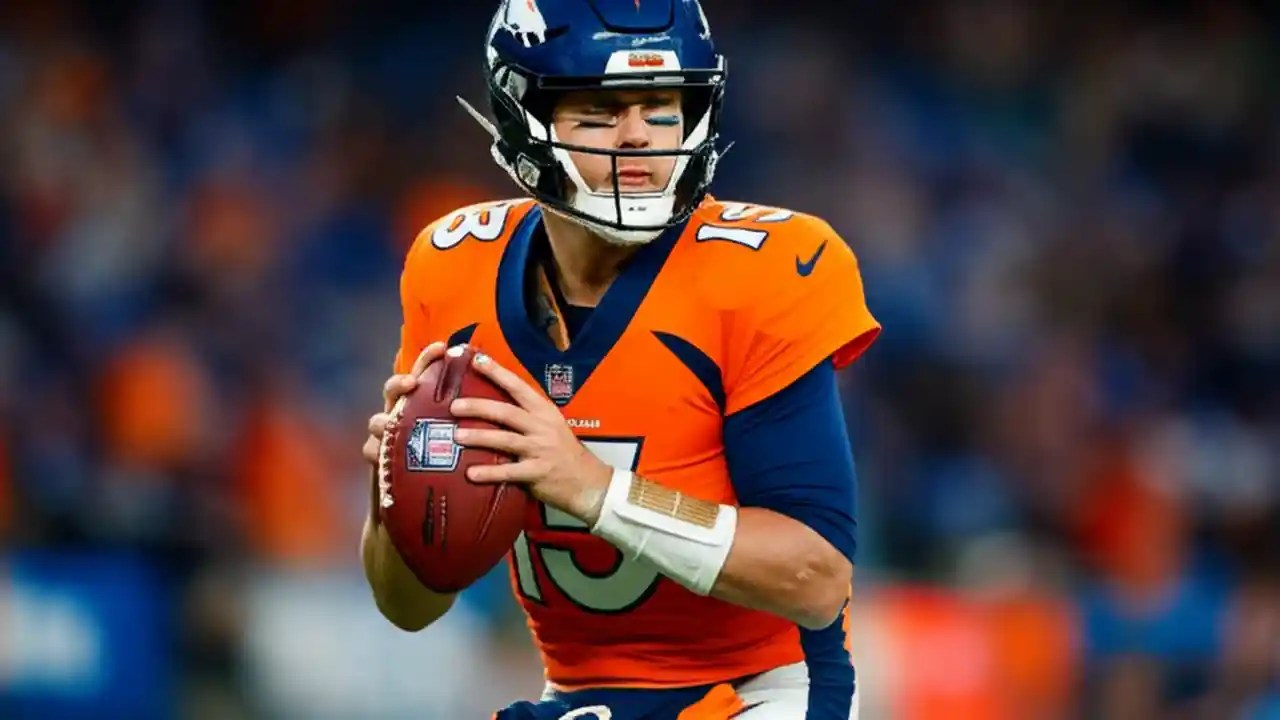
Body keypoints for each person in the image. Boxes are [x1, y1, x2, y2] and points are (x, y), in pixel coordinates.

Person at [360, 1, 880, 717]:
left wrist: (597, 491)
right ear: (522, 113)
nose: (637, 136)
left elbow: (818, 578)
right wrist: (397, 490)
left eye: (661, 106)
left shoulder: (764, 270)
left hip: (763, 692)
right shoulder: (451, 266)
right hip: (580, 694)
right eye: (600, 110)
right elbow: (407, 606)